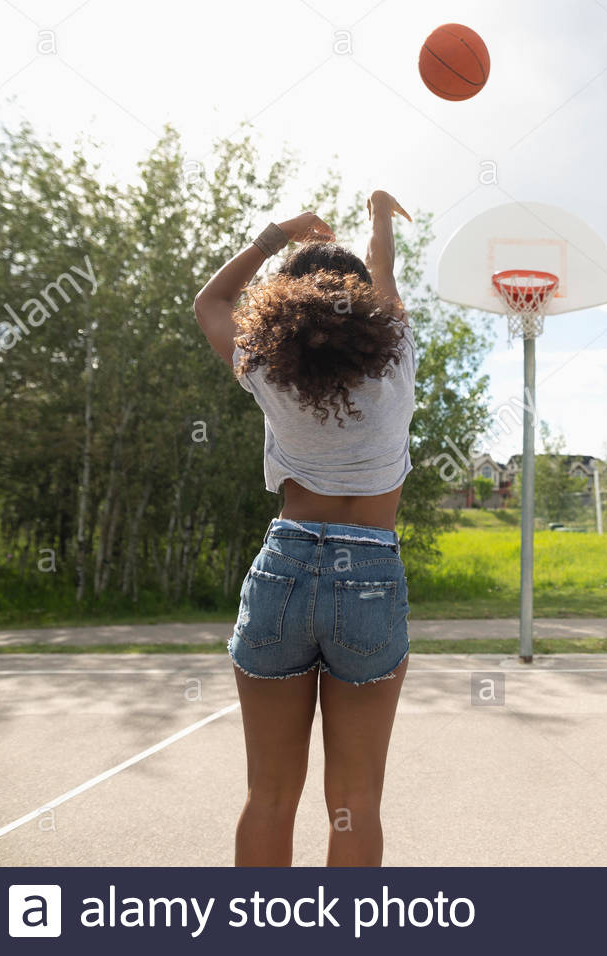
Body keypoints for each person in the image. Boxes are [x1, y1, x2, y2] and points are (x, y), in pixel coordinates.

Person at [194, 190, 416, 866]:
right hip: (370, 576)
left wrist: (276, 235)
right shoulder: (396, 349)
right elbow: (384, 273)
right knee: (355, 800)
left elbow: (209, 302)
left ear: (283, 305)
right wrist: (379, 217)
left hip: (284, 568)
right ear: (370, 310)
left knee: (269, 796)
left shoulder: (264, 363)